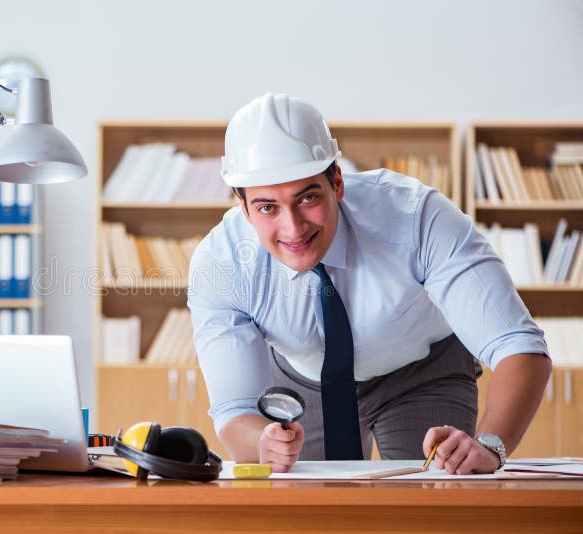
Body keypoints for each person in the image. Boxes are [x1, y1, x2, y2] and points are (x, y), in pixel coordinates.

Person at [187, 93, 551, 474]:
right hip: (302, 379)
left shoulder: (417, 219)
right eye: (267, 208)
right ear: (243, 208)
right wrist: (262, 442)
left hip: (421, 371)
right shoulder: (222, 263)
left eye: (308, 197)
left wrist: (490, 446)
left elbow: (519, 345)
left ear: (337, 182)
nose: (293, 228)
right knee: (311, 514)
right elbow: (235, 411)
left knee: (437, 503)